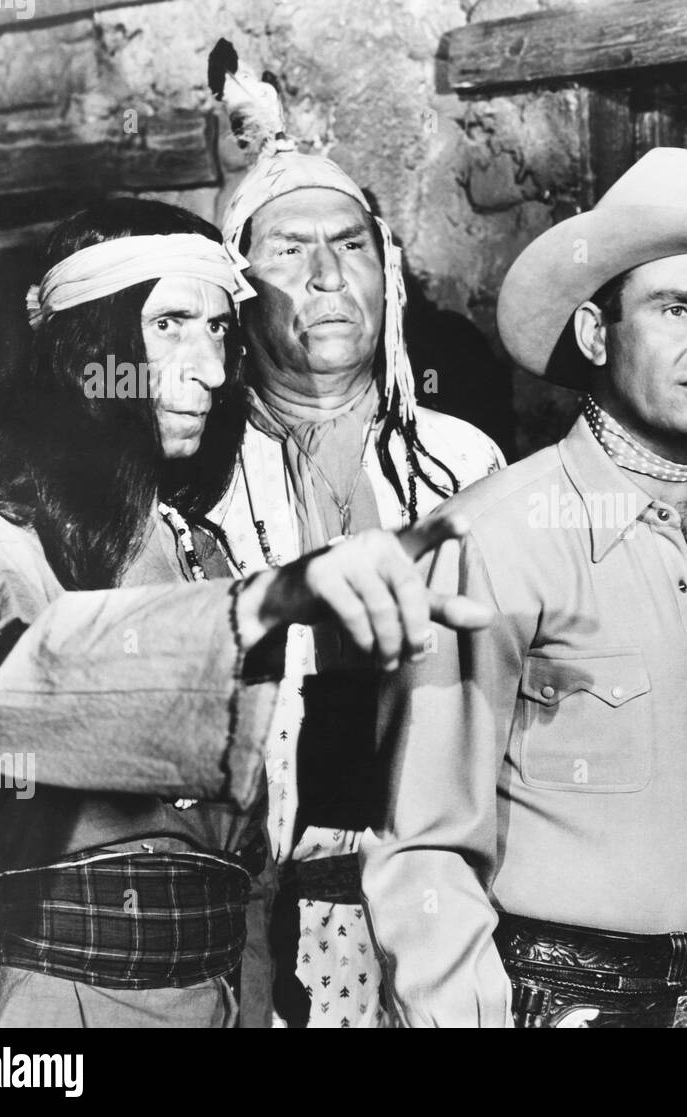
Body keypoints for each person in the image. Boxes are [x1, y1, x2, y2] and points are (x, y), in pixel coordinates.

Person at [0, 198, 490, 1028]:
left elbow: (247, 866)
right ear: (91, 345)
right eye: (170, 325)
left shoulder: (203, 547)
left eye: (223, 329)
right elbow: (13, 689)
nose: (213, 367)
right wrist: (263, 603)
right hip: (57, 1004)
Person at [360, 147, 687, 1027]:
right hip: (560, 1002)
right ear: (594, 331)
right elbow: (419, 848)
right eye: (675, 307)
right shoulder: (497, 539)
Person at [205, 40, 504, 1026]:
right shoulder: (194, 474)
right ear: (238, 290)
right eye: (290, 250)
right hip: (241, 910)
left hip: (436, 902)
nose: (329, 274)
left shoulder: (461, 464)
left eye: (353, 246)